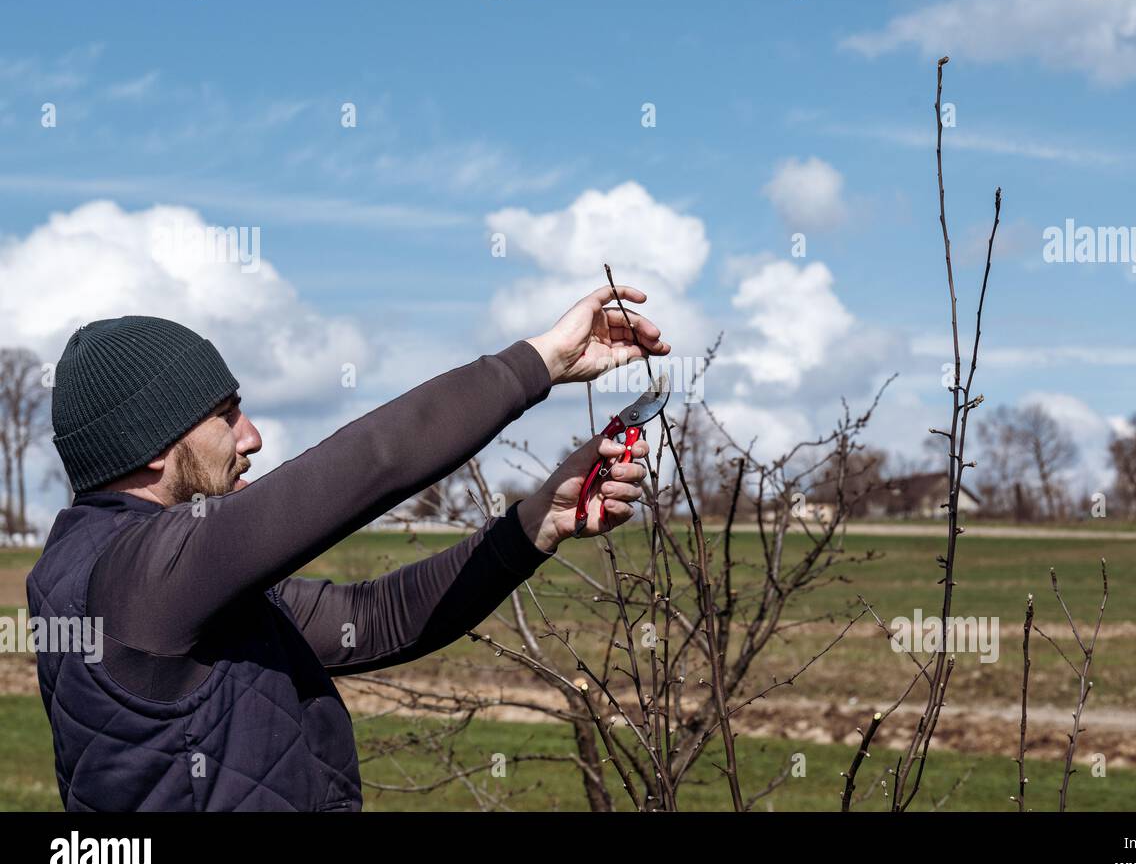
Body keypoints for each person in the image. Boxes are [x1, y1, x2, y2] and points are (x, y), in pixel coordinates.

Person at [26, 285, 669, 811]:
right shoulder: (142, 581)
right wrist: (539, 362)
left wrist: (538, 521)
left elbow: (378, 618)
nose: (251, 437)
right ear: (154, 444)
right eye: (225, 415)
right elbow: (373, 462)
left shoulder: (155, 580)